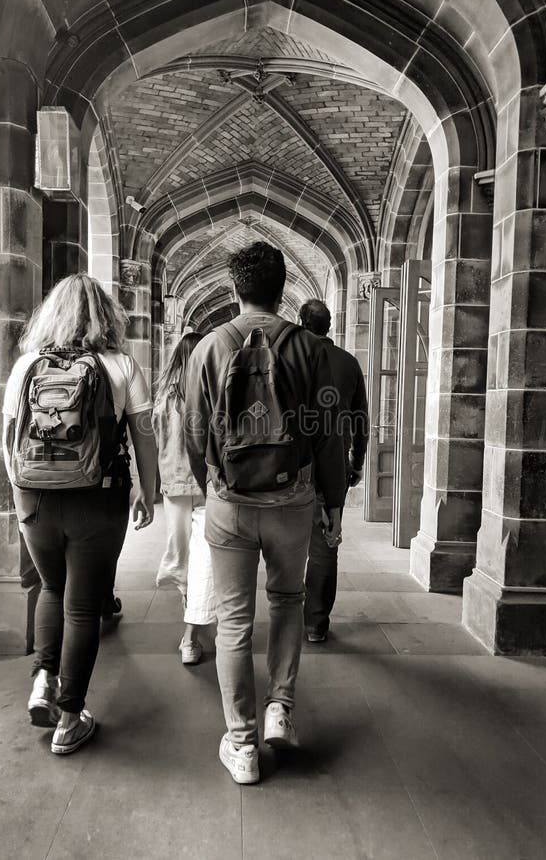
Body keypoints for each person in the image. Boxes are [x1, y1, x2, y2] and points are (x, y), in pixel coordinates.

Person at [185, 242, 347, 785]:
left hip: (229, 503)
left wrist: (211, 477)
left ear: (234, 289)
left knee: (233, 620)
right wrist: (334, 504)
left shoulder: (209, 347)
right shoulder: (311, 349)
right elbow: (329, 435)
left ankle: (242, 745)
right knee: (287, 602)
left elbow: (193, 427)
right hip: (291, 503)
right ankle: (280, 708)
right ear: (283, 291)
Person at [2, 274, 157, 755]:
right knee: (83, 605)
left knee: (51, 587)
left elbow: (8, 437)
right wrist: (148, 492)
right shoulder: (120, 365)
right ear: (107, 316)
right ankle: (70, 718)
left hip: (35, 498)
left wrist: (19, 494)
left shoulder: (26, 365)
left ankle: (43, 682)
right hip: (99, 496)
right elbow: (144, 436)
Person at [299, 299, 369, 643]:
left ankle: (281, 616)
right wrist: (355, 464)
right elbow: (361, 420)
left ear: (302, 323)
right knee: (325, 547)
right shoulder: (348, 362)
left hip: (291, 465)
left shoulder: (290, 357)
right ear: (329, 326)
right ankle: (315, 623)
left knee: (283, 543)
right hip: (334, 464)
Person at [153, 332, 216, 665]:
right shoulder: (211, 394)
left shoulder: (164, 398)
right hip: (207, 486)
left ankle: (191, 626)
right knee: (204, 560)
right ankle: (193, 626)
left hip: (175, 486)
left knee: (182, 557)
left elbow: (156, 443)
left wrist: (145, 488)